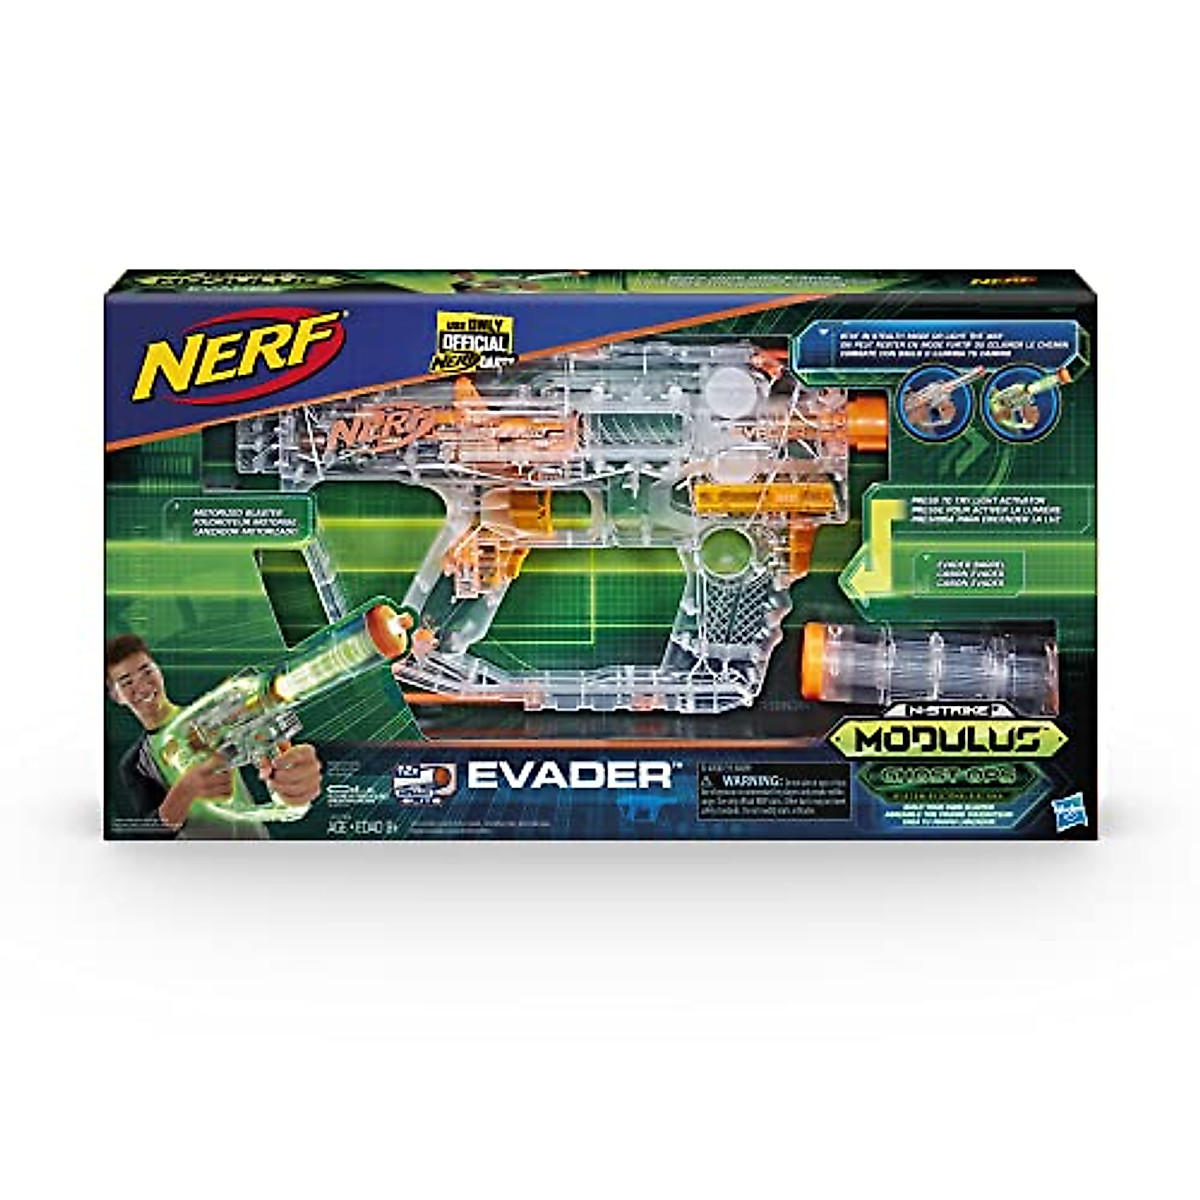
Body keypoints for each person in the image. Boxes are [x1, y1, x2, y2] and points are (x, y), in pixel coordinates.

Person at [105, 633, 322, 839]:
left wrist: (292, 779)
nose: (142, 686)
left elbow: (270, 744)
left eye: (146, 671)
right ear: (116, 696)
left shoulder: (211, 712)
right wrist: (186, 789)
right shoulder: (136, 763)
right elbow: (149, 833)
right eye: (126, 682)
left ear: (158, 670)